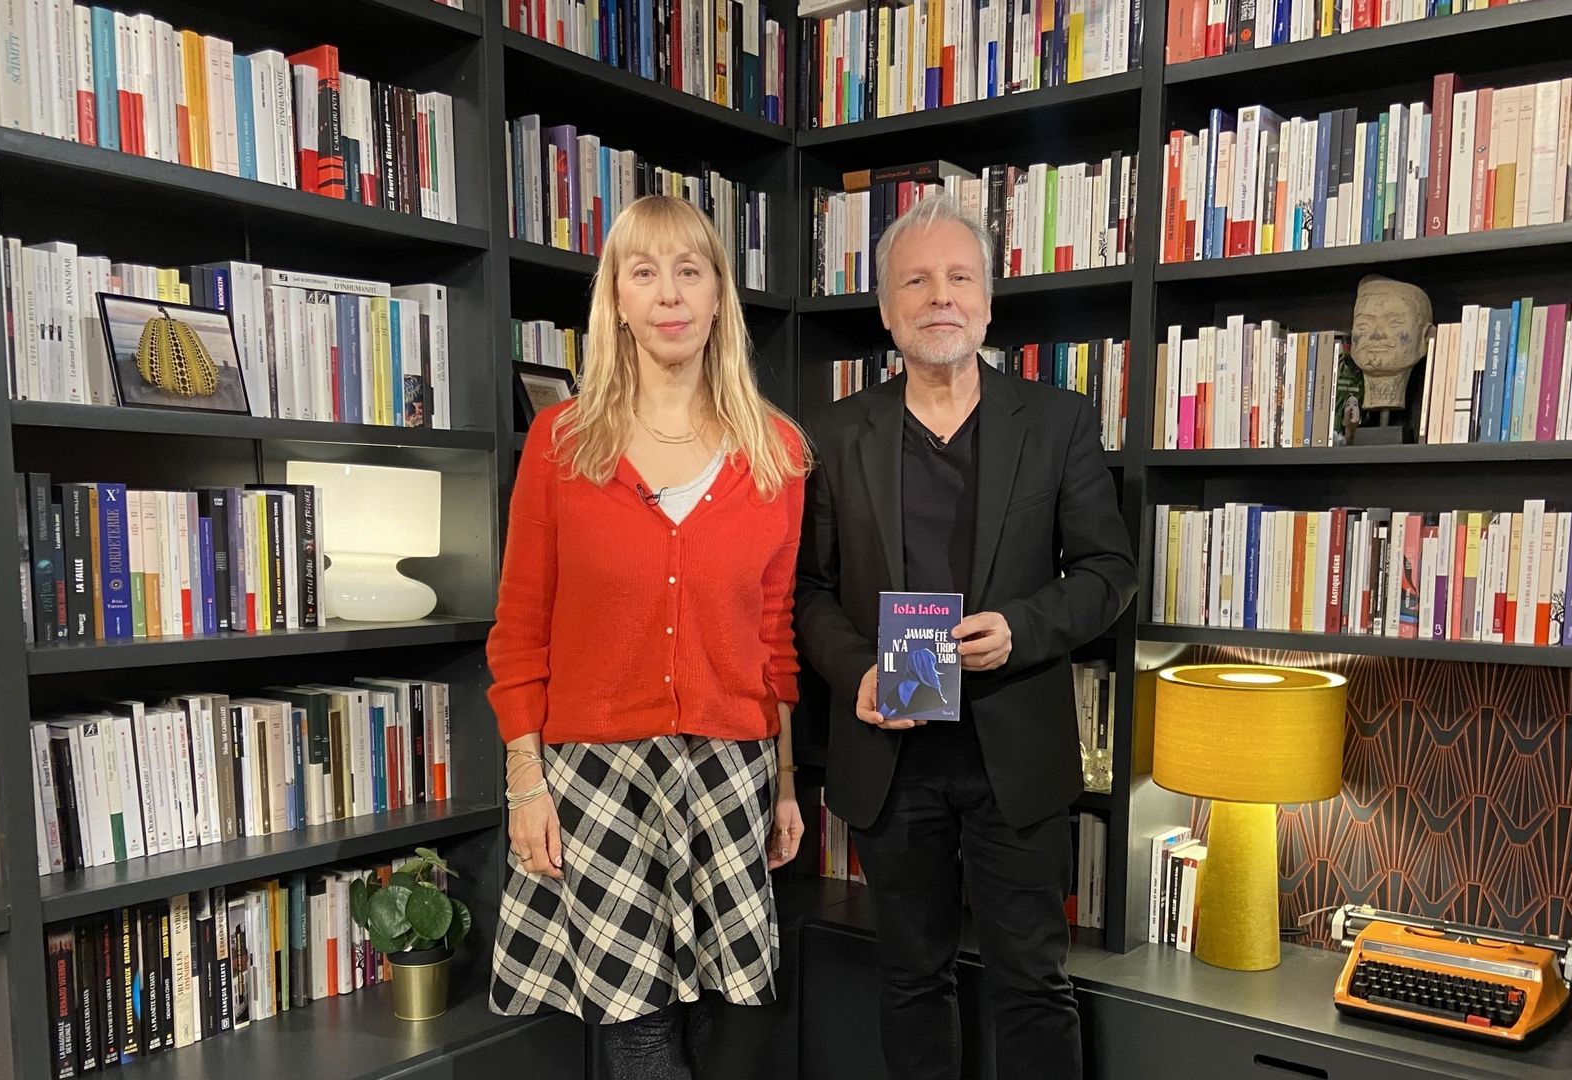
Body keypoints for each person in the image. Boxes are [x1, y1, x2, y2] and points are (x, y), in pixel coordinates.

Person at [795, 195, 1136, 1080]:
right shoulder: (834, 433)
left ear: (987, 302)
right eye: (916, 281)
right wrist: (858, 672)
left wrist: (1021, 628)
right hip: (891, 749)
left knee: (1032, 982)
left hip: (1014, 751)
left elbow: (1108, 572)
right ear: (886, 309)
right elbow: (809, 592)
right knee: (912, 976)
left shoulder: (1057, 422)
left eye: (959, 277)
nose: (939, 296)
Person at [485, 194, 809, 1080]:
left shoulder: (777, 453)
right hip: (596, 772)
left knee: (728, 1014)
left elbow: (774, 636)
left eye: (689, 271)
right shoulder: (561, 443)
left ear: (718, 296)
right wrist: (525, 783)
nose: (669, 293)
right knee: (635, 1022)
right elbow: (521, 625)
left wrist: (785, 782)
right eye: (645, 272)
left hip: (729, 766)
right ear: (617, 300)